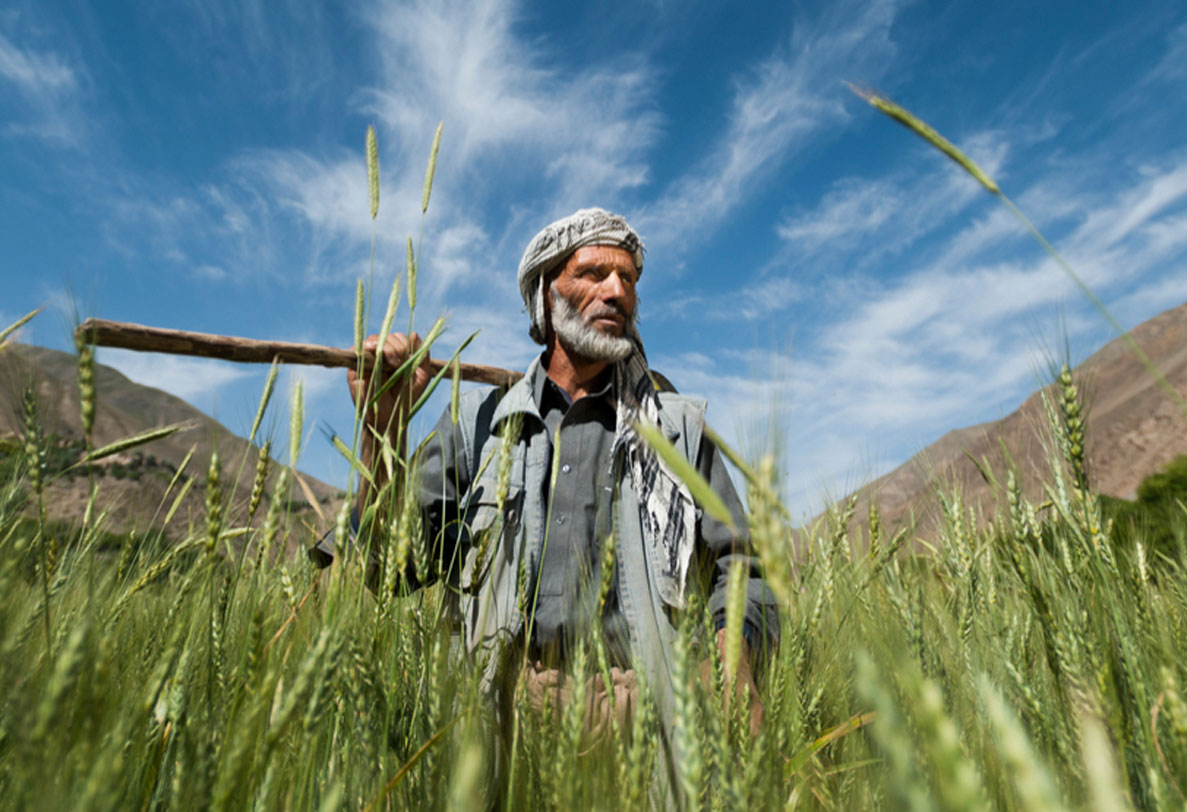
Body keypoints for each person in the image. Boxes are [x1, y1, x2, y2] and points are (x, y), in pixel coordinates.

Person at [317, 207, 778, 782]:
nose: (617, 291)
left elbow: (746, 568)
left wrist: (735, 653)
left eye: (629, 279)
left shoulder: (676, 433)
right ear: (545, 295)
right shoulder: (477, 427)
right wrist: (380, 432)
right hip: (504, 726)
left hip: (646, 723)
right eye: (593, 273)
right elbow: (387, 567)